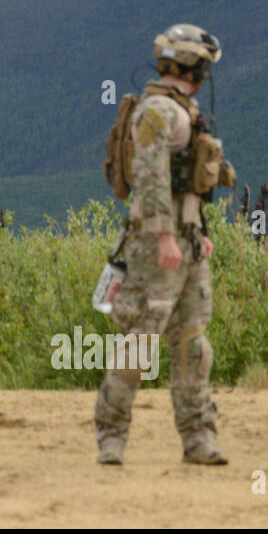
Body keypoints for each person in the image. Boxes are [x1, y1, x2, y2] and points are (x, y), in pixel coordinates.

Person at [94, 24, 229, 466]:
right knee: (139, 345)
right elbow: (151, 178)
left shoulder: (179, 111)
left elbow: (187, 179)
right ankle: (111, 439)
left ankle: (199, 440)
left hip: (187, 245)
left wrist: (197, 234)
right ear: (193, 67)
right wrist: (166, 237)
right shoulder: (156, 112)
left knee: (194, 346)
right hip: (156, 248)